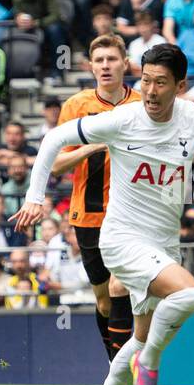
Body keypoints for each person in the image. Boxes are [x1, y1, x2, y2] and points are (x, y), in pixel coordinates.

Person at [11, 44, 194, 385]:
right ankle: (150, 365)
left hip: (162, 244)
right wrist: (35, 197)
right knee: (189, 294)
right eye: (146, 81)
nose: (151, 91)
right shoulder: (123, 119)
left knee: (138, 336)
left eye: (161, 83)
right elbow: (52, 140)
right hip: (120, 239)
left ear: (180, 86)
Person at [50, 33, 140, 366]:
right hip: (88, 215)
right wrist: (97, 144)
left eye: (112, 59)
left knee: (121, 287)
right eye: (99, 60)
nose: (106, 66)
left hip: (132, 215)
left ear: (125, 63)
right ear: (91, 67)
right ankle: (115, 362)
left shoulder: (142, 104)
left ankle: (120, 377)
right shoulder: (76, 107)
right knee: (104, 301)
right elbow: (56, 164)